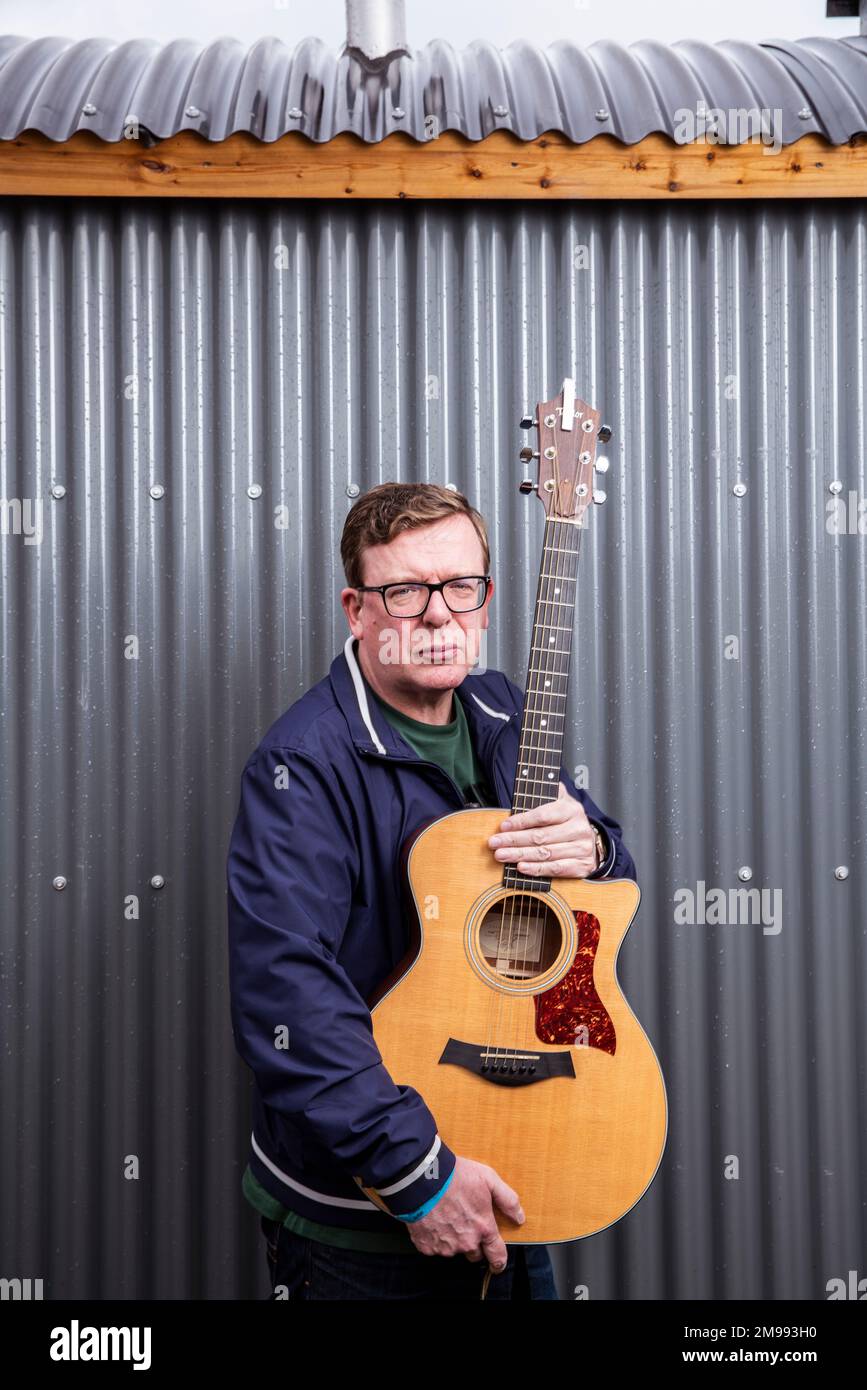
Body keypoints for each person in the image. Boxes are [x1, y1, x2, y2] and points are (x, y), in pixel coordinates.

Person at [226, 482, 636, 1300]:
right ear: (357, 609)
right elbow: (287, 995)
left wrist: (593, 847)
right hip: (369, 1210)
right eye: (406, 591)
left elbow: (599, 888)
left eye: (460, 587)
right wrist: (419, 1178)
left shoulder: (503, 710)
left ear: (485, 601)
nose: (439, 614)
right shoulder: (301, 765)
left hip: (521, 1172)